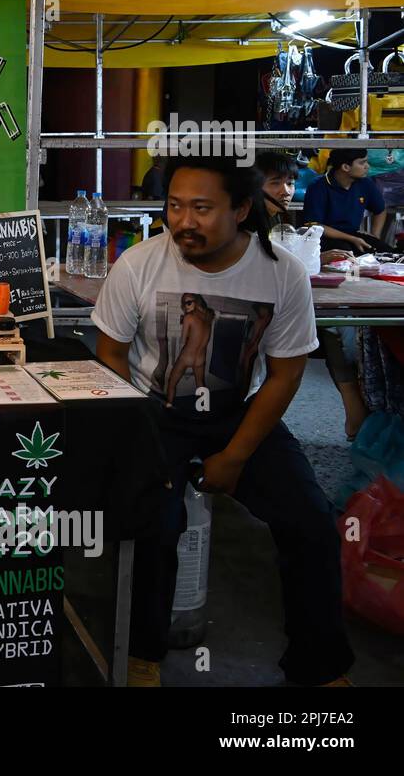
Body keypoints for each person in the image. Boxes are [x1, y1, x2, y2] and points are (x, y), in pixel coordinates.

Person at [93, 156, 354, 687]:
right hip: (153, 412)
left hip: (239, 413)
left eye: (202, 208)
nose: (184, 220)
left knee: (311, 521)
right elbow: (112, 357)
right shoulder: (139, 264)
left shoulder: (282, 273)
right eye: (175, 205)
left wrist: (235, 456)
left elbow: (284, 374)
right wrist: (134, 439)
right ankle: (141, 653)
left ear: (240, 209)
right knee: (153, 523)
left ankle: (319, 664)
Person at [254, 151, 367, 438]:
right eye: (275, 182)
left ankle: (356, 412)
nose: (287, 191)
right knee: (335, 327)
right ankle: (355, 412)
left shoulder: (273, 222)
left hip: (276, 301)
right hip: (257, 308)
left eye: (290, 182)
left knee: (336, 326)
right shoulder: (251, 223)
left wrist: (320, 256)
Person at [303, 148, 389, 253]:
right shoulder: (318, 186)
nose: (367, 166)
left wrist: (375, 236)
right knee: (346, 253)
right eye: (362, 163)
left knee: (386, 251)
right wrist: (352, 239)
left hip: (353, 236)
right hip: (324, 239)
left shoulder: (366, 183)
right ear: (345, 167)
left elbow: (380, 210)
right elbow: (313, 225)